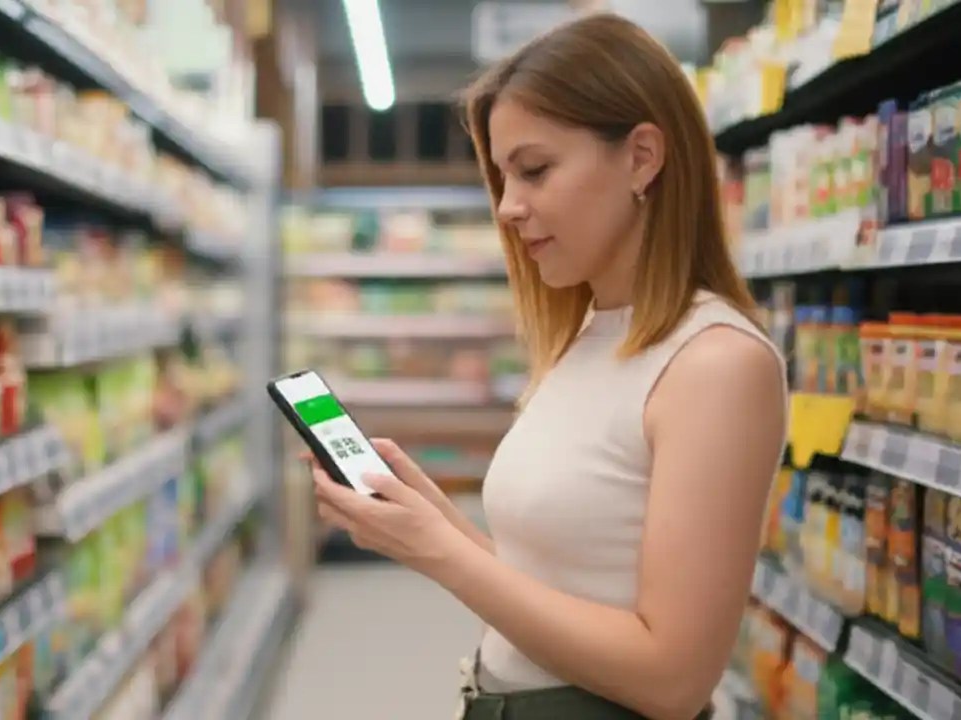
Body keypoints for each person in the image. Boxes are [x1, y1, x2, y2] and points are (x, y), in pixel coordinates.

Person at [309, 12, 787, 720]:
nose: (507, 207)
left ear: (642, 156)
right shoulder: (589, 333)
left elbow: (674, 678)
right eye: (502, 177)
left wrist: (443, 552)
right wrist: (433, 525)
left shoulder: (717, 364)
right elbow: (556, 582)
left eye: (534, 170)